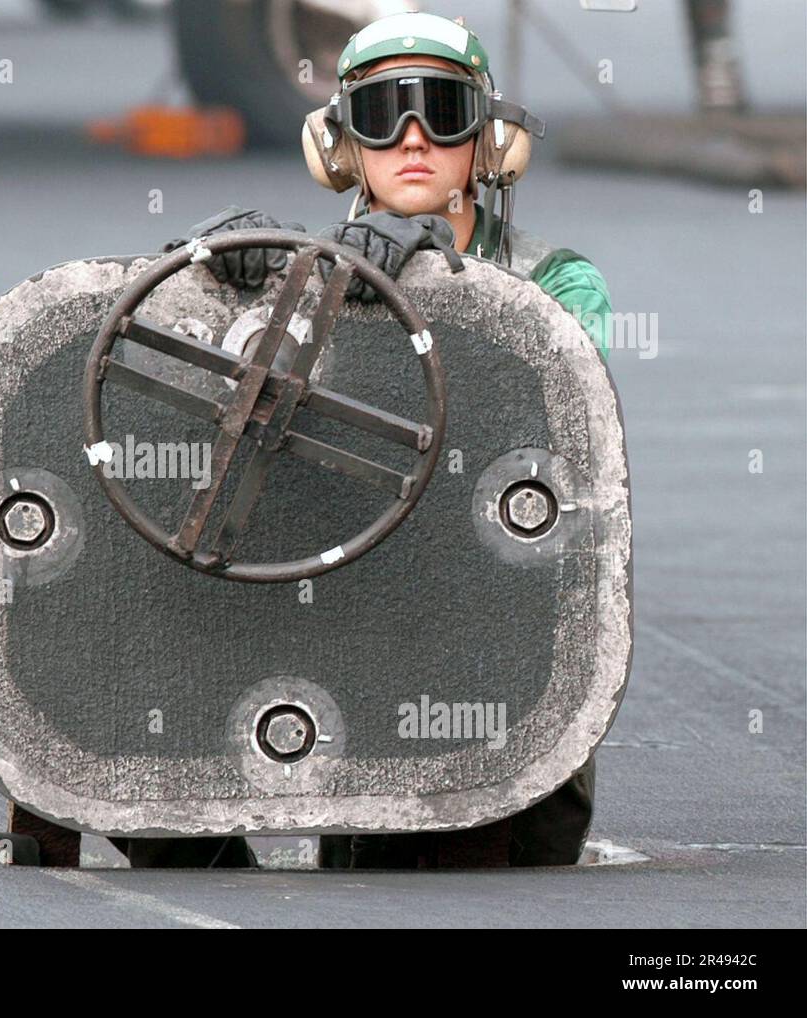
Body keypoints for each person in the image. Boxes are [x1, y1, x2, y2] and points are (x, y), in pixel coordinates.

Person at [116, 10, 609, 869]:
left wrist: (440, 286)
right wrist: (220, 283)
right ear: (339, 148)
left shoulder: (554, 281)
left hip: (487, 649)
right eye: (382, 117)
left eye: (442, 112)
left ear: (489, 143)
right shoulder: (311, 272)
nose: (413, 140)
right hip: (349, 608)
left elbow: (550, 402)